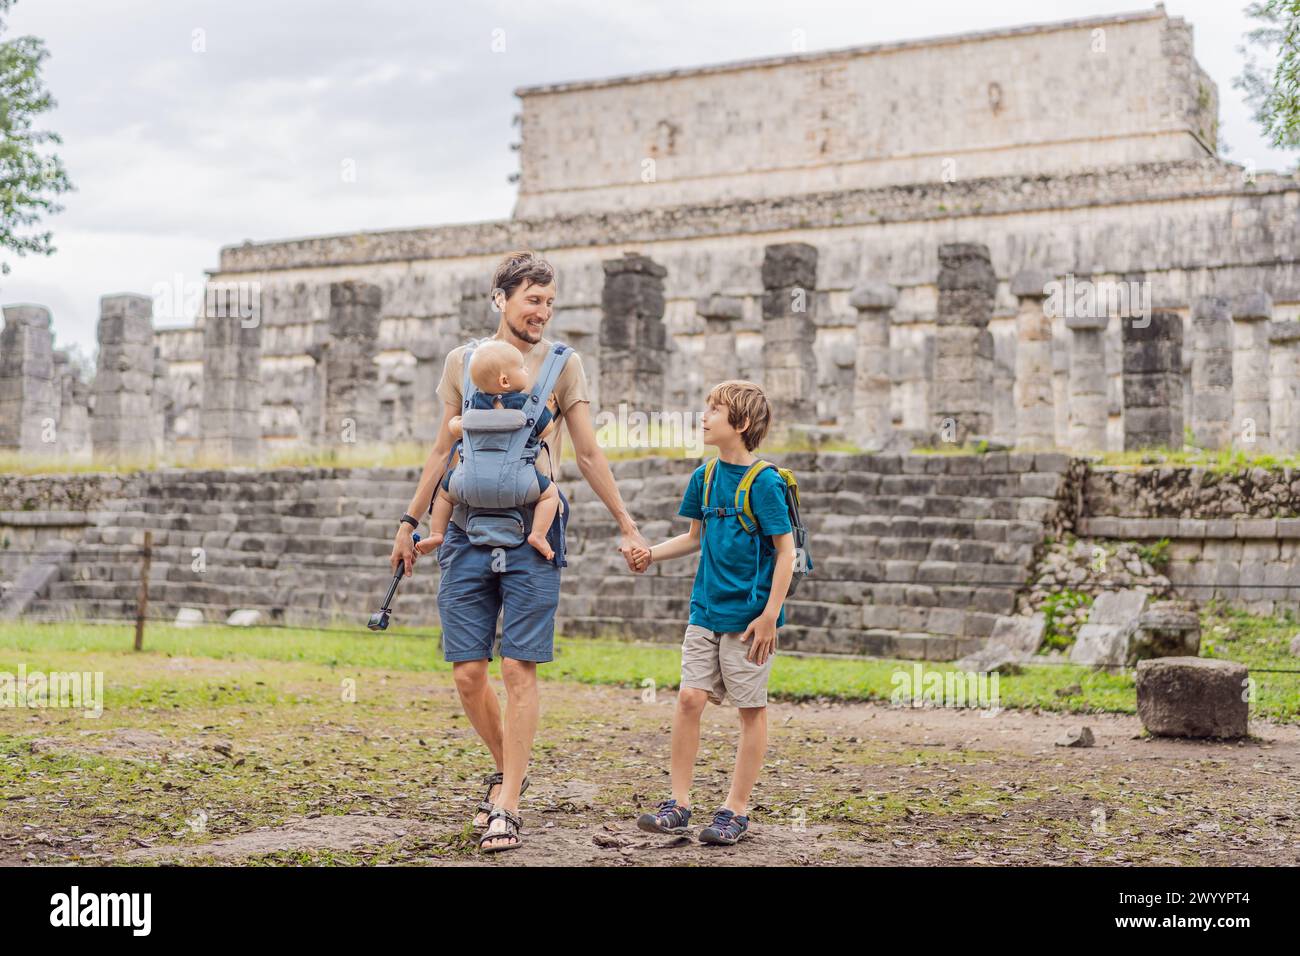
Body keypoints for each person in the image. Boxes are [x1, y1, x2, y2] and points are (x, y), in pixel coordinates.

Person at [390, 250, 648, 853]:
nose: (543, 312)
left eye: (550, 302)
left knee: (516, 667)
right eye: (534, 300)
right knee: (468, 673)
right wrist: (410, 519)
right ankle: (513, 767)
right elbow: (440, 452)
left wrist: (628, 523)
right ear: (500, 299)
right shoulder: (461, 362)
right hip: (462, 532)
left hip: (533, 530)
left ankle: (506, 799)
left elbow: (586, 453)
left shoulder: (563, 366)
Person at [629, 380, 795, 846]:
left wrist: (769, 616)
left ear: (740, 424)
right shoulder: (702, 476)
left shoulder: (764, 482)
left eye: (714, 410)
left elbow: (787, 553)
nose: (704, 417)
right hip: (704, 610)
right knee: (688, 699)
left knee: (749, 709)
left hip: (749, 621)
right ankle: (678, 804)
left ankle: (735, 810)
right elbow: (694, 538)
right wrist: (650, 554)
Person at [420, 338, 562, 561]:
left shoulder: (475, 402)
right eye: (522, 367)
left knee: (445, 496)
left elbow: (456, 428)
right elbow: (547, 430)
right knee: (550, 494)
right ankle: (538, 535)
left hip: (468, 483)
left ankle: (437, 534)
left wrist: (456, 423)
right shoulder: (526, 405)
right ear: (505, 380)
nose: (526, 370)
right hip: (518, 483)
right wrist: (549, 410)